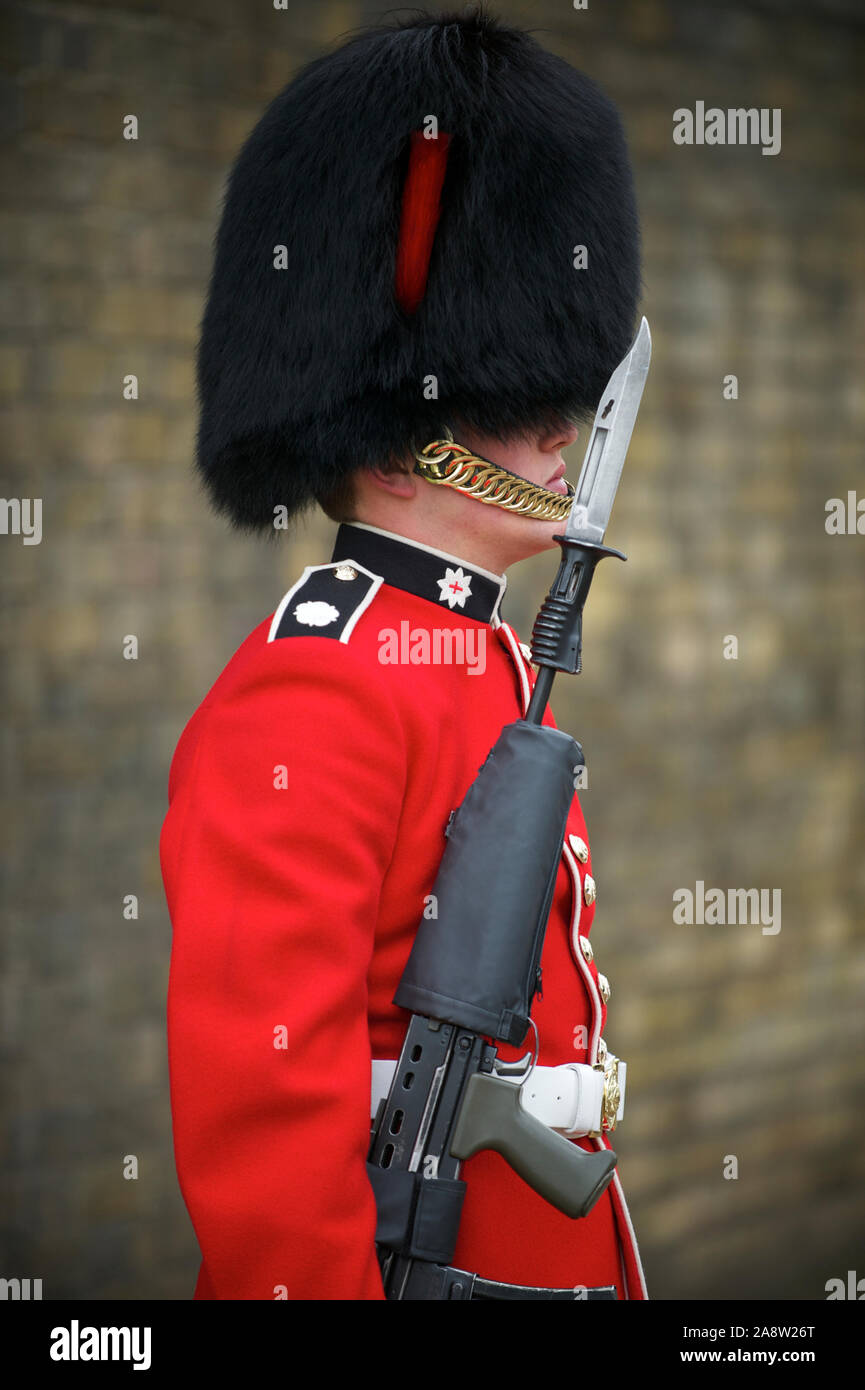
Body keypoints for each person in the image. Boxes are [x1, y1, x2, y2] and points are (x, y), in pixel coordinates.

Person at [160, 7, 647, 1300]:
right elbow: (267, 1138)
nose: (562, 431)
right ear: (395, 428)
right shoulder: (317, 682)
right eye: (518, 392)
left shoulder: (476, 651)